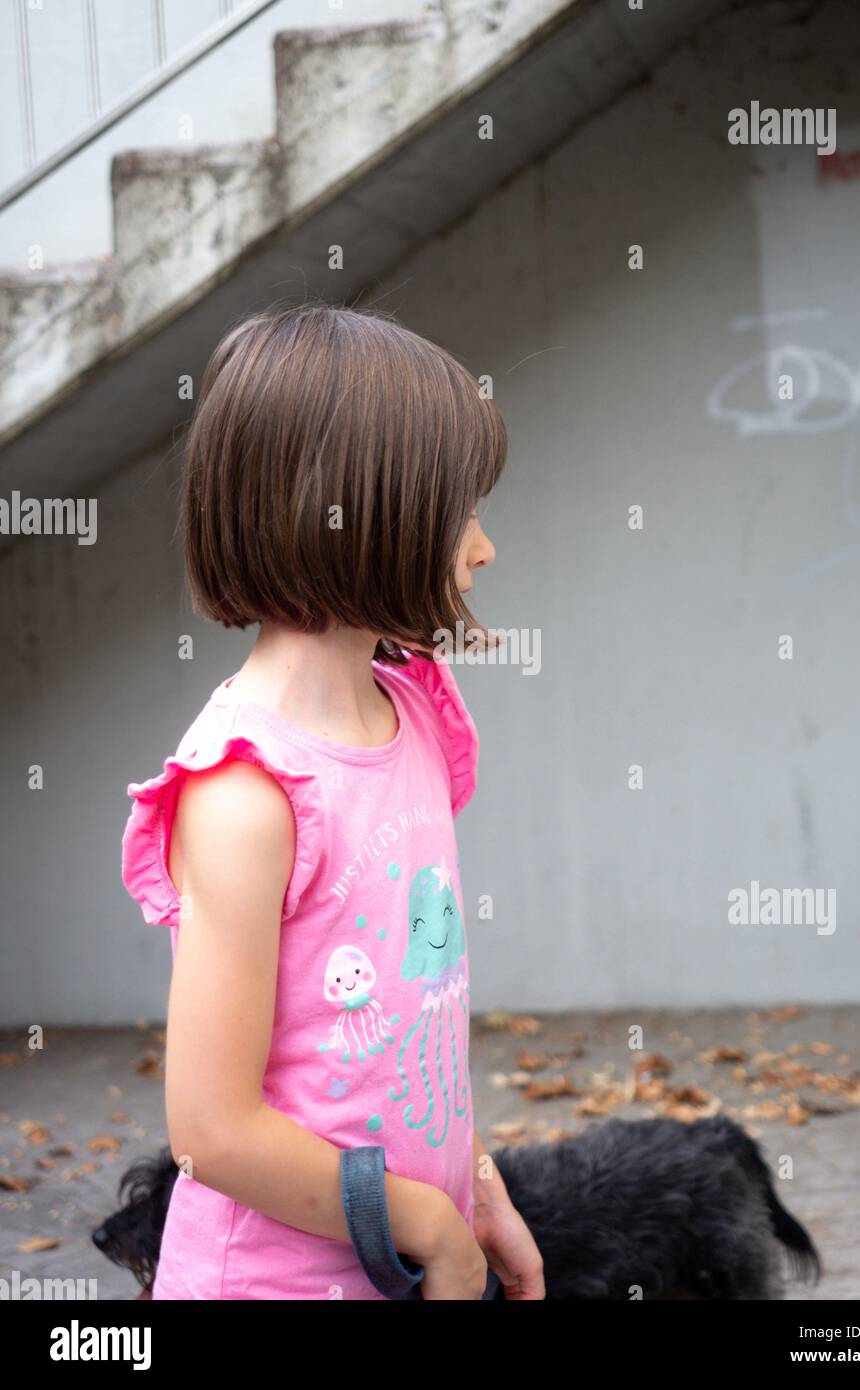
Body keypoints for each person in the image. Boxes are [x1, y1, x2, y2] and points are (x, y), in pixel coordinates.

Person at [120, 303, 544, 1300]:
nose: (484, 549)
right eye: (461, 511)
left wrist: (479, 1196)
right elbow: (212, 1130)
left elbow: (417, 1024)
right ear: (354, 512)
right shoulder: (244, 791)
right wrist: (430, 1228)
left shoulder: (414, 715)